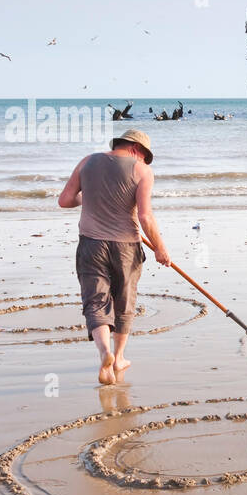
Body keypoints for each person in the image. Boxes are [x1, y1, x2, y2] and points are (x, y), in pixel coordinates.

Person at [57, 128, 171, 385]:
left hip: (91, 244)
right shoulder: (142, 171)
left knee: (96, 301)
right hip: (126, 247)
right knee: (124, 301)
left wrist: (86, 198)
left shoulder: (87, 161)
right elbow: (144, 216)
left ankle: (104, 353)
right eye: (143, 156)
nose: (142, 161)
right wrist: (160, 248)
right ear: (136, 149)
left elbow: (64, 200)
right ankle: (118, 358)